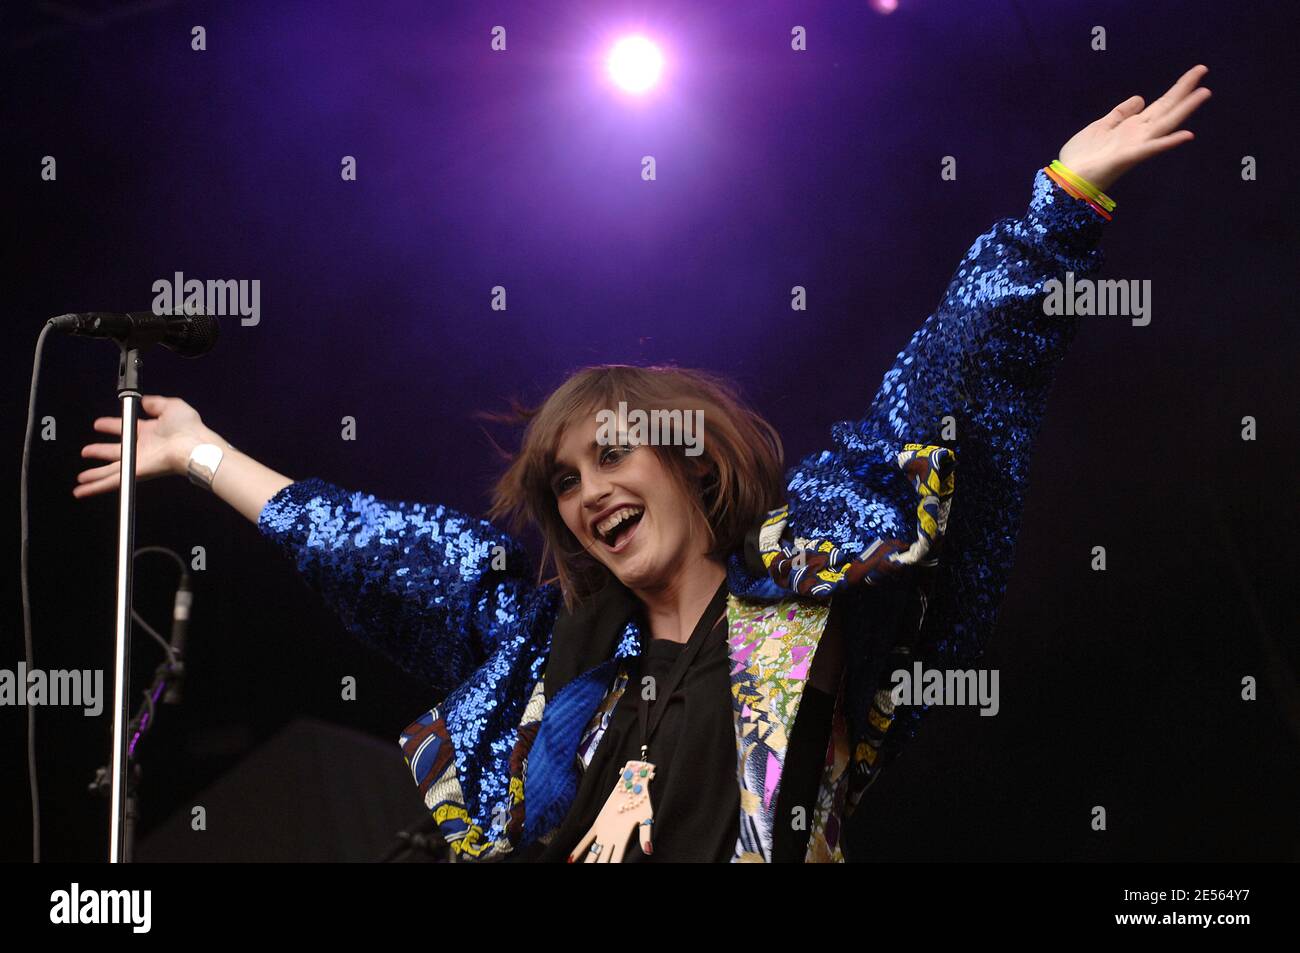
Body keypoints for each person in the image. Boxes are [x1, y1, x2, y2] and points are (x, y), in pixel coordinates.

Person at [74, 66, 1211, 862]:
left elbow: (944, 395)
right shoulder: (545, 648)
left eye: (610, 455)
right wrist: (198, 450)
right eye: (563, 482)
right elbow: (376, 548)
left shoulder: (814, 589)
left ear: (687, 459)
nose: (585, 494)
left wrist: (1057, 206)